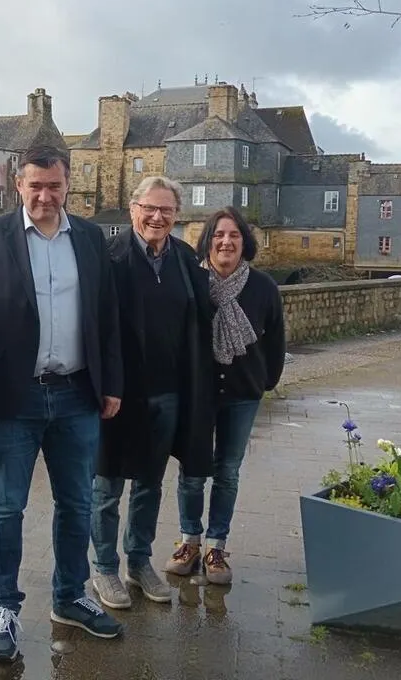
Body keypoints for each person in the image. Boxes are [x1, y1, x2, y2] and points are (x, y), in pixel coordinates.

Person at [0, 144, 124, 663]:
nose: (45, 195)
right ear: (18, 186)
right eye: (35, 186)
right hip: (13, 398)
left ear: (67, 184)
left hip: (76, 394)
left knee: (77, 502)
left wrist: (111, 382)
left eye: (54, 185)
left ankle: (70, 596)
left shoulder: (92, 239)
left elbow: (107, 317)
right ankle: (4, 606)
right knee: (7, 505)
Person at [90, 176, 214, 610]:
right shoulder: (108, 257)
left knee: (149, 484)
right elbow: (92, 328)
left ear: (176, 215)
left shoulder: (184, 259)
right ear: (132, 209)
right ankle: (104, 567)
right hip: (118, 395)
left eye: (166, 210)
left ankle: (138, 562)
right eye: (150, 208)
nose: (157, 217)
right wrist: (103, 386)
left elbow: (203, 319)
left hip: (168, 395)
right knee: (106, 487)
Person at [163, 206, 285, 585]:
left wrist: (265, 380)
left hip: (242, 393)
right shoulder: (193, 282)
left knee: (228, 471)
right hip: (198, 393)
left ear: (244, 241)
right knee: (192, 471)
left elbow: (277, 339)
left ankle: (217, 545)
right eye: (218, 235)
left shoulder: (263, 287)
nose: (226, 241)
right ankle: (189, 541)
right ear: (207, 242)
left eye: (233, 235)